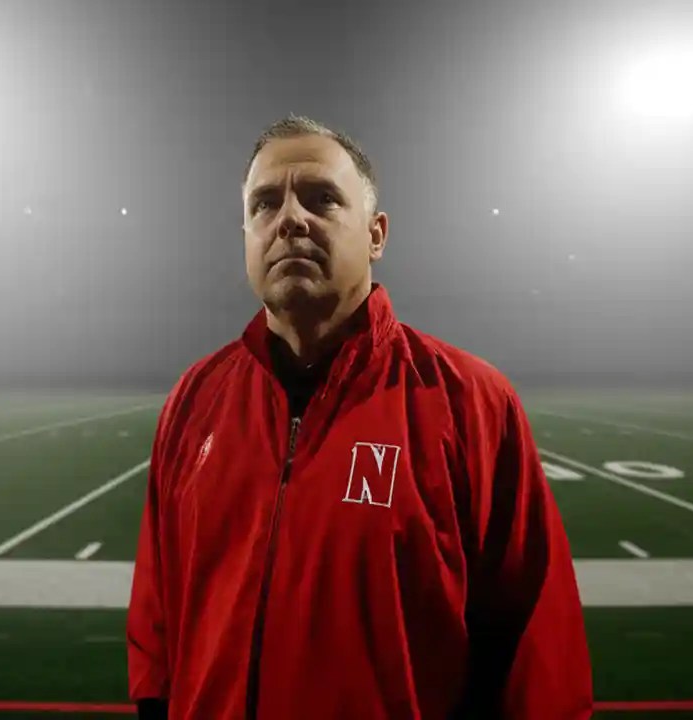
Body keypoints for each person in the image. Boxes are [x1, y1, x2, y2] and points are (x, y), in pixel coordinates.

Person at [127, 114, 593, 719]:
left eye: (322, 199)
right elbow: (158, 624)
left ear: (376, 234)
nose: (291, 218)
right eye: (265, 204)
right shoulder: (195, 398)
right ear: (245, 234)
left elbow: (537, 647)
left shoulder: (469, 401)